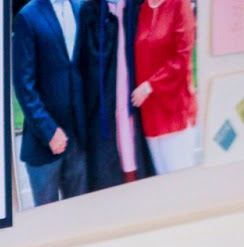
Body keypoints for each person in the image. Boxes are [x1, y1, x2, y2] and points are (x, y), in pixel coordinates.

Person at [13, 0, 88, 206]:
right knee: (47, 222)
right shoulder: (27, 17)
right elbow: (23, 86)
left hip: (78, 140)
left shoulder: (80, 7)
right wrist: (48, 131)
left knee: (80, 216)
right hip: (44, 145)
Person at [75, 0, 154, 191]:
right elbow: (82, 65)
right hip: (106, 108)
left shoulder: (137, 6)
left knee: (138, 167)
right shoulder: (91, 10)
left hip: (135, 102)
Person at [130, 0, 198, 176]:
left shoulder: (179, 5)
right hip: (151, 114)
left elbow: (182, 57)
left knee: (180, 180)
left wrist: (150, 86)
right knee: (162, 180)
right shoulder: (143, 8)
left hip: (175, 111)